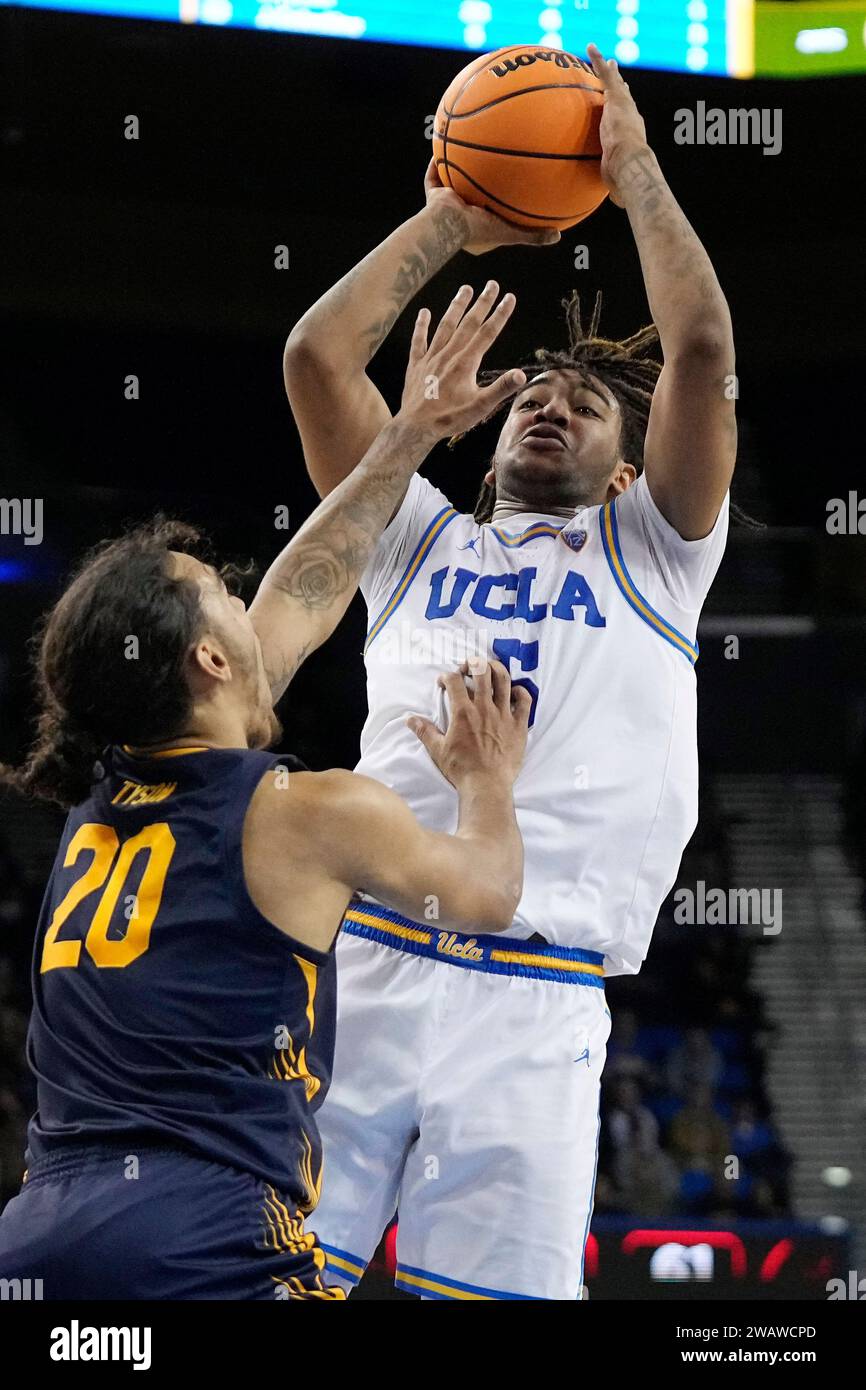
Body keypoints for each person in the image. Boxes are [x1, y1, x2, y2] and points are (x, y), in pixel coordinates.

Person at [282, 45, 736, 1300]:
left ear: (632, 472)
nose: (549, 399)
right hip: (365, 964)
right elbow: (319, 358)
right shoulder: (417, 532)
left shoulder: (656, 553)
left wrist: (633, 172)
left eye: (586, 400)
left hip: (535, 1004)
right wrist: (452, 216)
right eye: (533, 387)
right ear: (486, 450)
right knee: (255, 1284)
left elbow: (698, 350)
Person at [0, 289, 531, 1299]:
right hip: (199, 1236)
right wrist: (487, 784)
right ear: (209, 656)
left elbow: (309, 588)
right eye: (222, 595)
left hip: (37, 1236)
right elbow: (486, 898)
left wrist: (409, 434)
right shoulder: (302, 812)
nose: (250, 603)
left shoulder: (94, 795)